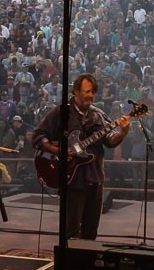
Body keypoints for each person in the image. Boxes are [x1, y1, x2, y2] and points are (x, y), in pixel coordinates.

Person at [32, 73, 131, 239]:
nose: (91, 95)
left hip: (95, 178)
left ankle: (86, 263)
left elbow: (109, 141)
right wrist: (58, 151)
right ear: (75, 91)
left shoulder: (98, 115)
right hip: (72, 180)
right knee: (70, 230)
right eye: (87, 91)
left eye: (93, 92)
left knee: (91, 231)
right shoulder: (62, 113)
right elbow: (37, 136)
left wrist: (123, 132)